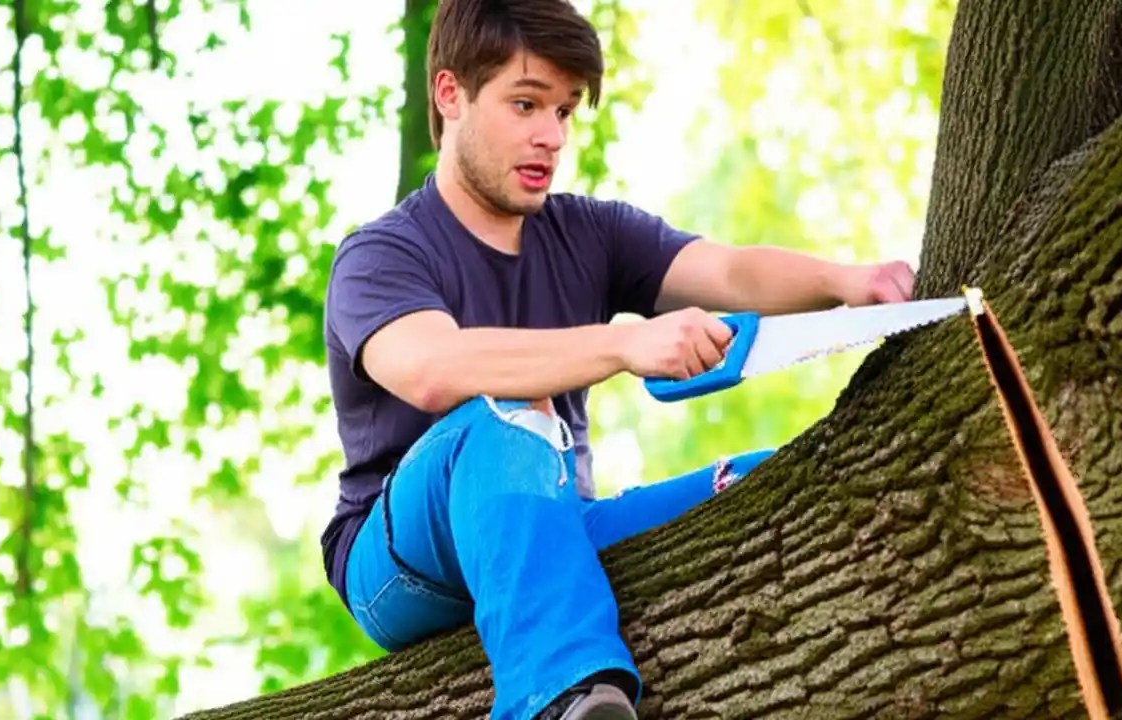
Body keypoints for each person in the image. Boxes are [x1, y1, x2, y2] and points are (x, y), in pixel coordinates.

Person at [320, 1, 915, 718]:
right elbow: (432, 367)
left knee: (768, 483)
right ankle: (563, 702)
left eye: (565, 112)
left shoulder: (591, 233)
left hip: (553, 527)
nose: (550, 136)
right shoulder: (382, 253)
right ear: (451, 95)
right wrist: (623, 344)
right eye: (525, 104)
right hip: (401, 565)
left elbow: (726, 273)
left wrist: (850, 283)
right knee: (507, 416)